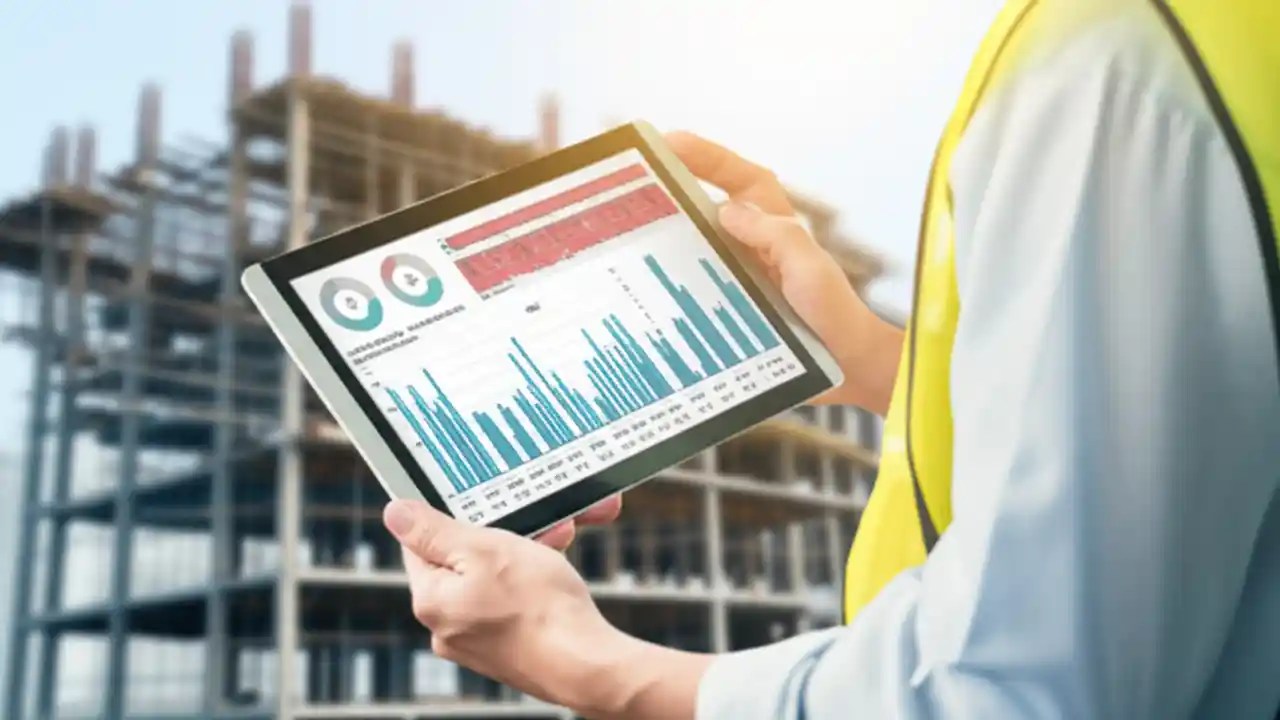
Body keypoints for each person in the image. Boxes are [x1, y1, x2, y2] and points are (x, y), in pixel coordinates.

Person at [381, 0, 1280, 717]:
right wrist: (875, 361)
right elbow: (1193, 406)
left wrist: (595, 665)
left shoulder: (1107, 54)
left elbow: (1018, 697)